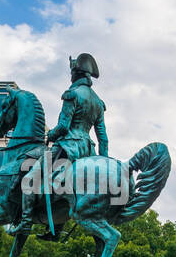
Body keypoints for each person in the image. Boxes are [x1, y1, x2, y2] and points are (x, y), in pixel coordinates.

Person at [9, 53, 109, 234]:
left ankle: (24, 222)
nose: (70, 75)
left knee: (31, 178)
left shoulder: (72, 94)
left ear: (76, 74)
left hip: (68, 147)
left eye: (71, 72)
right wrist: (103, 161)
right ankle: (56, 226)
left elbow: (63, 127)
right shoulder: (98, 102)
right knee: (64, 184)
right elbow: (103, 138)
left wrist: (50, 136)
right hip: (88, 152)